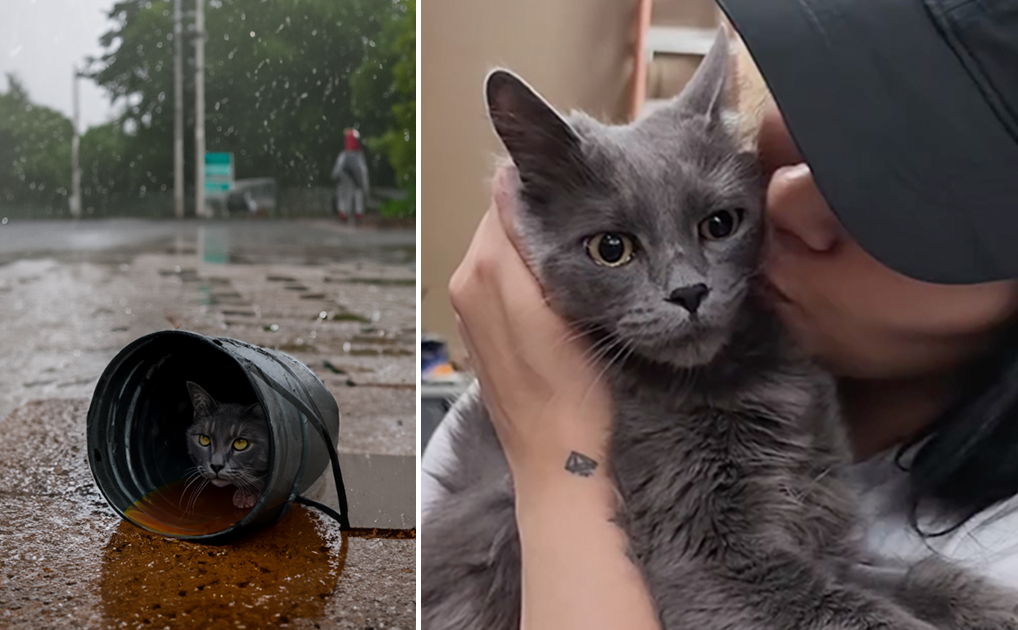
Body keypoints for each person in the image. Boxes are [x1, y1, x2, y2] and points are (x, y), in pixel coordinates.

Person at [422, 0, 1018, 627]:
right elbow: (735, 576)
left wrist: (557, 474)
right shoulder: (531, 381)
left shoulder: (999, 544)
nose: (787, 196)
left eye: (901, 179)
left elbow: (753, 579)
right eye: (820, 116)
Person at [331, 128, 370, 224]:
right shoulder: (356, 137)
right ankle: (357, 212)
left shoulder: (344, 154)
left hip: (347, 161)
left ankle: (343, 212)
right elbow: (362, 169)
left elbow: (339, 165)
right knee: (358, 189)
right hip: (356, 158)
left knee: (344, 190)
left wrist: (335, 173)